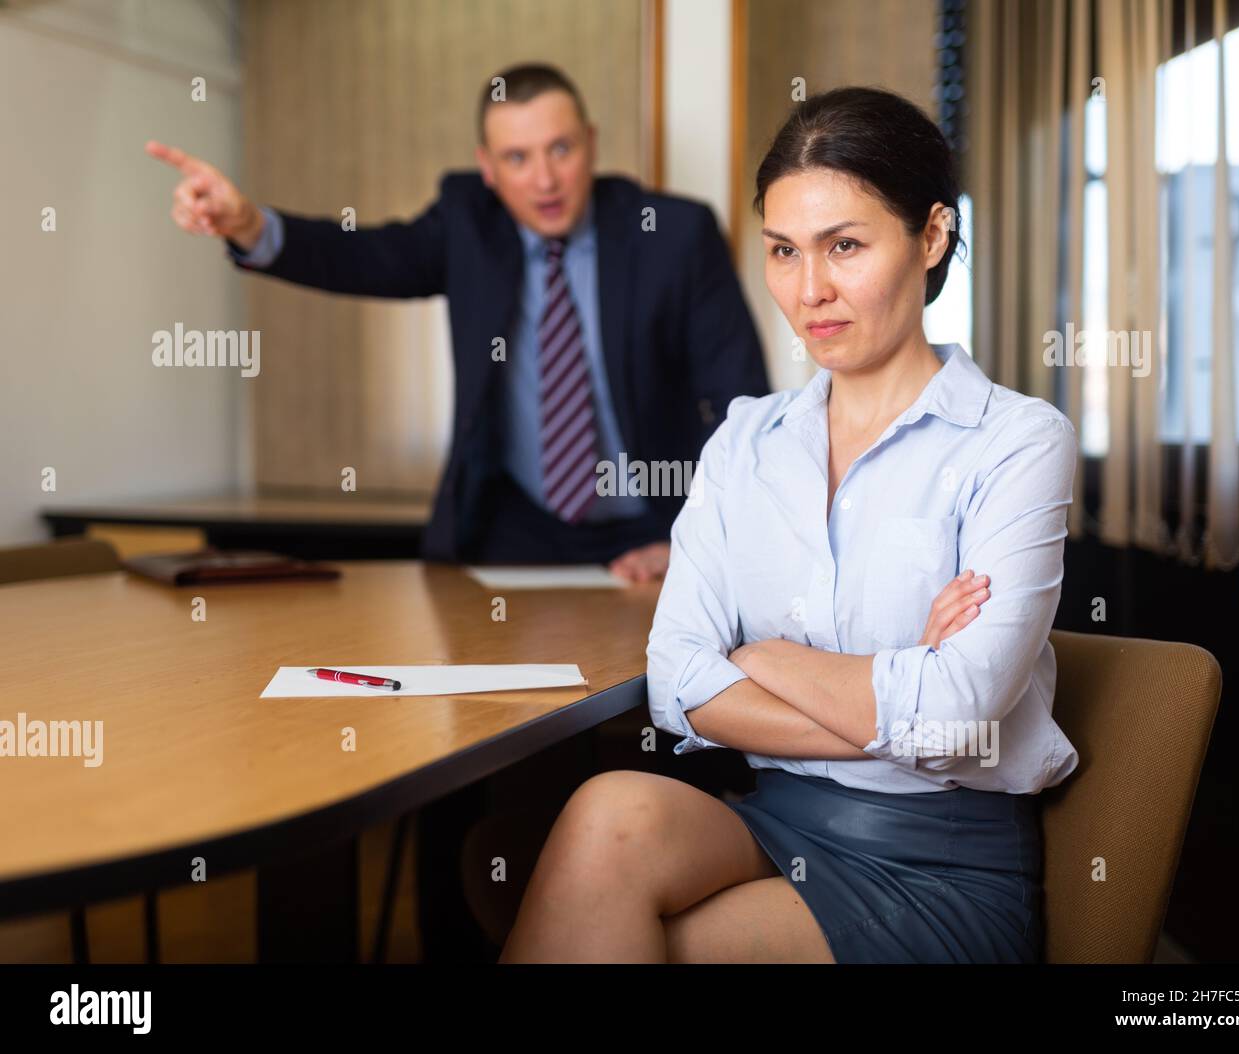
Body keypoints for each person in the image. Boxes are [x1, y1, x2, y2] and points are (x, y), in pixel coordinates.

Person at [498, 86, 1080, 963]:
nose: (810, 292)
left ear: (931, 236)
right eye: (782, 251)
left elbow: (960, 720)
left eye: (844, 246)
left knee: (617, 939)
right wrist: (895, 688)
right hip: (772, 815)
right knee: (606, 809)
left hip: (940, 866)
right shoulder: (745, 440)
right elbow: (676, 681)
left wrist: (761, 661)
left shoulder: (1017, 441)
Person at [146, 63, 768, 582]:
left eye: (561, 149)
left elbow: (743, 404)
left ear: (592, 142)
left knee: (647, 710)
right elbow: (364, 256)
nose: (545, 179)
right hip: (512, 527)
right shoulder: (468, 221)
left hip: (653, 527)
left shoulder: (673, 233)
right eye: (517, 158)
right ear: (488, 167)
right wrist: (250, 225)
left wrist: (696, 542)